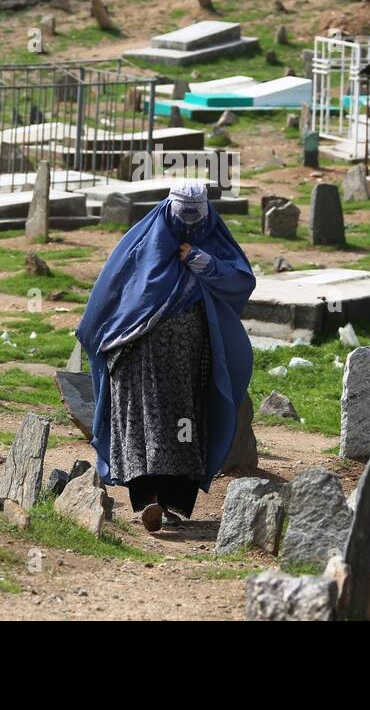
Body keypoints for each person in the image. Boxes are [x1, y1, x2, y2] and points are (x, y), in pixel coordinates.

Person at [77, 182, 255, 531]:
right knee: (143, 426)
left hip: (192, 364)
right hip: (137, 363)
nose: (188, 223)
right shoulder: (142, 245)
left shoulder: (214, 242)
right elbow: (112, 298)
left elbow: (240, 281)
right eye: (182, 215)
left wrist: (203, 263)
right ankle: (148, 501)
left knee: (184, 427)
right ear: (168, 209)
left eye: (195, 215)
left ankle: (173, 501)